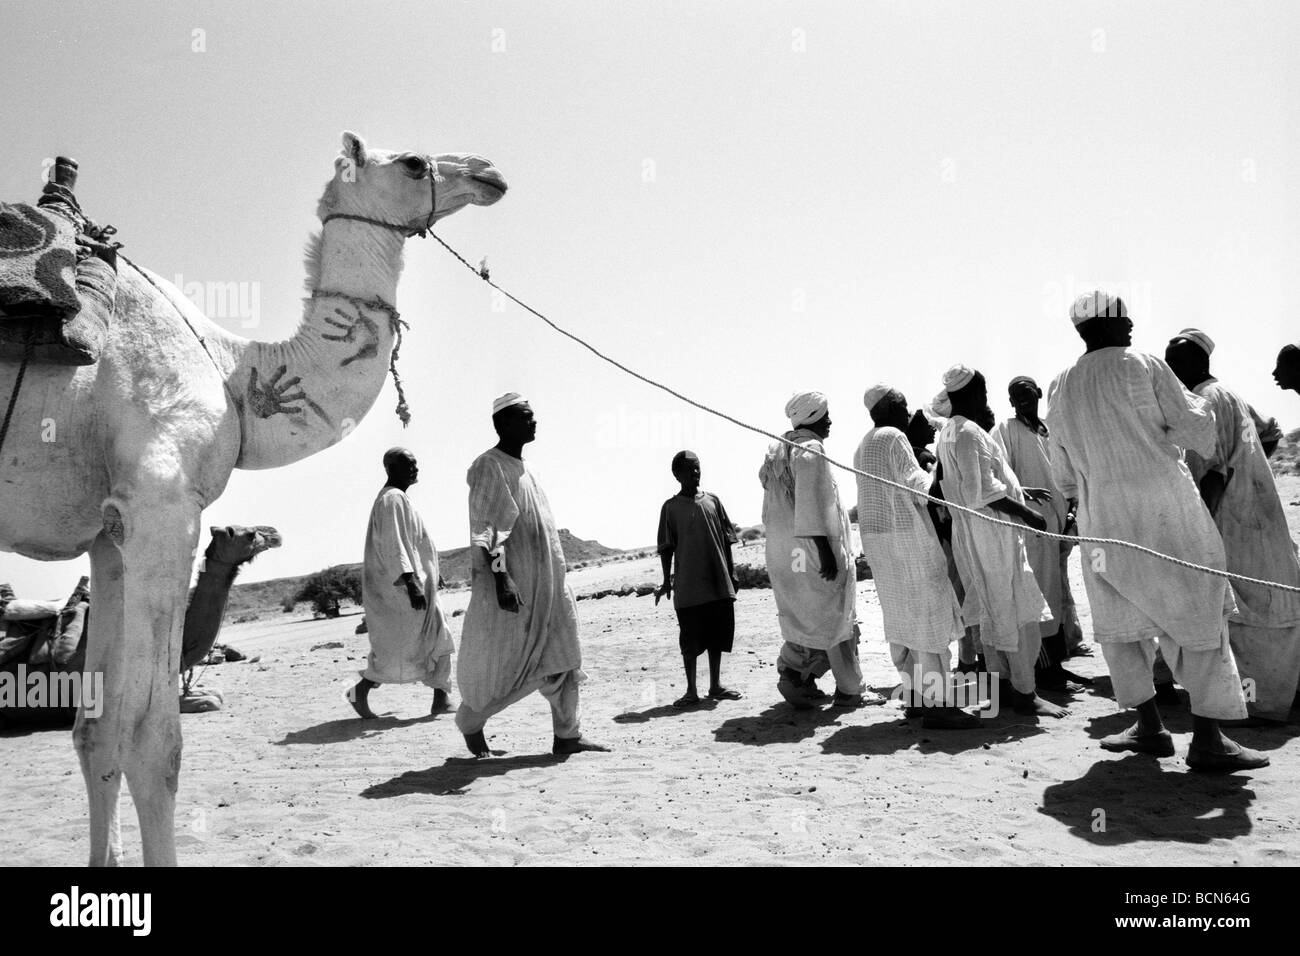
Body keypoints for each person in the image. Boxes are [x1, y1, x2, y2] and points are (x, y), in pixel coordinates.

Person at [1046, 292, 1265, 771]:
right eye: (1123, 316)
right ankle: (1208, 739)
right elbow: (1196, 430)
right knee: (1198, 614)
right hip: (1169, 513)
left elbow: (1062, 472)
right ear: (1104, 325)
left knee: (1123, 626)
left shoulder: (1060, 386)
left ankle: (1150, 727)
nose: (1130, 323)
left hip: (1103, 522)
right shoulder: (1142, 364)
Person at [455, 393, 609, 757]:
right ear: (503, 424)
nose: (534, 422)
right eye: (526, 417)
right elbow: (488, 528)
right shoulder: (488, 466)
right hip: (517, 591)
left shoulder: (528, 470)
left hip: (550, 589)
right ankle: (470, 722)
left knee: (563, 658)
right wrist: (501, 577)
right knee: (513, 667)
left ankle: (568, 736)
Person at [1166, 329, 1300, 725]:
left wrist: (1197, 531)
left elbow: (1212, 476)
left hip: (1233, 522)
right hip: (1257, 514)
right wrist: (1250, 470)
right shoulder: (1230, 395)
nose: (1170, 369)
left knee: (1244, 612)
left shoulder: (1204, 403)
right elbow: (1266, 436)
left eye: (1176, 361)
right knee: (1272, 601)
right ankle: (1280, 694)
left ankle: (1257, 705)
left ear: (1194, 363)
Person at [932, 365, 1066, 719]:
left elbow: (967, 484)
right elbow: (982, 492)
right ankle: (1025, 692)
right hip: (992, 536)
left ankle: (1004, 686)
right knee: (1015, 611)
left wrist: (1021, 492)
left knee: (993, 611)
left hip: (973, 536)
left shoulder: (949, 432)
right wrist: (1027, 514)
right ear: (975, 392)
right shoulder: (969, 433)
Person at [855, 384, 979, 729]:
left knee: (903, 622)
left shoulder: (863, 443)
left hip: (880, 544)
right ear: (892, 409)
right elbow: (922, 490)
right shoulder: (894, 436)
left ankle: (916, 698)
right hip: (907, 540)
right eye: (905, 405)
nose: (909, 413)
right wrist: (944, 466)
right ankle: (939, 706)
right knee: (929, 619)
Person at [761, 391, 880, 709]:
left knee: (806, 617)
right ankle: (850, 689)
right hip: (814, 554)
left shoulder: (778, 448)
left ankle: (793, 672)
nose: (829, 421)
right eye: (824, 415)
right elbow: (810, 505)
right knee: (836, 619)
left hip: (788, 556)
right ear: (813, 418)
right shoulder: (810, 449)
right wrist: (826, 552)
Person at [991, 376, 1090, 689]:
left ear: (1038, 395)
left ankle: (1057, 666)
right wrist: (1021, 491)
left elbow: (1072, 471)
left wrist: (1072, 514)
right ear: (1009, 401)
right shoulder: (1005, 431)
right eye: (1015, 395)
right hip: (1030, 527)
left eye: (1026, 393)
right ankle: (1044, 672)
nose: (1021, 399)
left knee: (1058, 593)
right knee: (1040, 597)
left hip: (1058, 528)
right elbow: (997, 474)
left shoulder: (1051, 429)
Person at [350, 448, 454, 719]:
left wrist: (432, 571)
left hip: (417, 582)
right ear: (390, 468)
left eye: (416, 463)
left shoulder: (399, 499)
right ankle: (359, 691)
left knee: (438, 635)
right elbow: (395, 545)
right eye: (409, 464)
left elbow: (414, 543)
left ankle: (441, 699)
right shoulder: (392, 499)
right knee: (399, 648)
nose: (415, 469)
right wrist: (410, 580)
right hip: (403, 588)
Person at [656, 450, 742, 708]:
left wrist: (732, 572)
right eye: (689, 469)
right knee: (690, 638)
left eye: (697, 467)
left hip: (718, 580)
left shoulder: (713, 501)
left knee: (717, 635)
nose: (695, 472)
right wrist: (666, 581)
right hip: (689, 584)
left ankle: (715, 686)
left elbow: (727, 540)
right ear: (676, 474)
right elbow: (666, 547)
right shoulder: (670, 508)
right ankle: (691, 690)